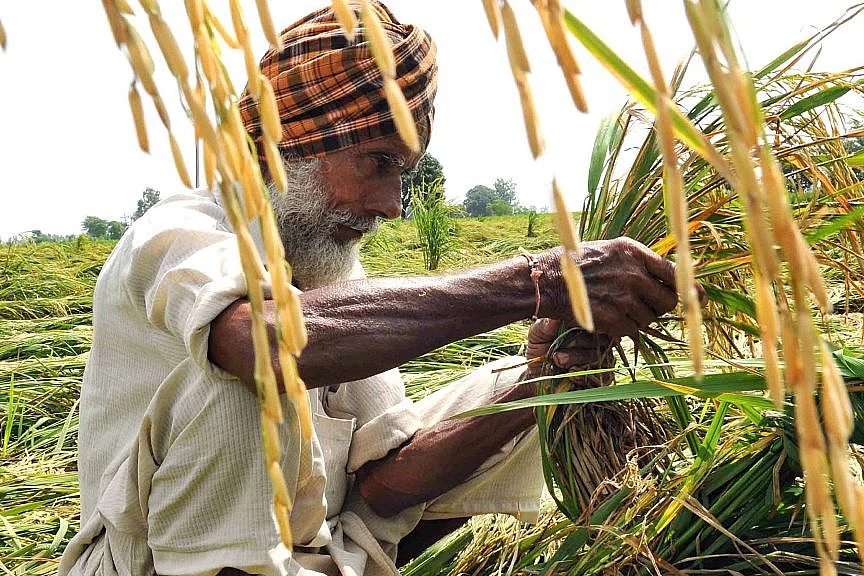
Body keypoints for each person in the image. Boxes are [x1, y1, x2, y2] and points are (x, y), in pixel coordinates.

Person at [59, 3, 689, 575]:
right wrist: (535, 281)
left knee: (507, 390)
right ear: (289, 145)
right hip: (149, 566)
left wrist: (538, 385)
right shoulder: (175, 236)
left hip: (312, 554)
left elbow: (385, 483)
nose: (391, 206)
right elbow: (266, 344)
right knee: (253, 375)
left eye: (405, 174)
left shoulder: (333, 274)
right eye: (377, 162)